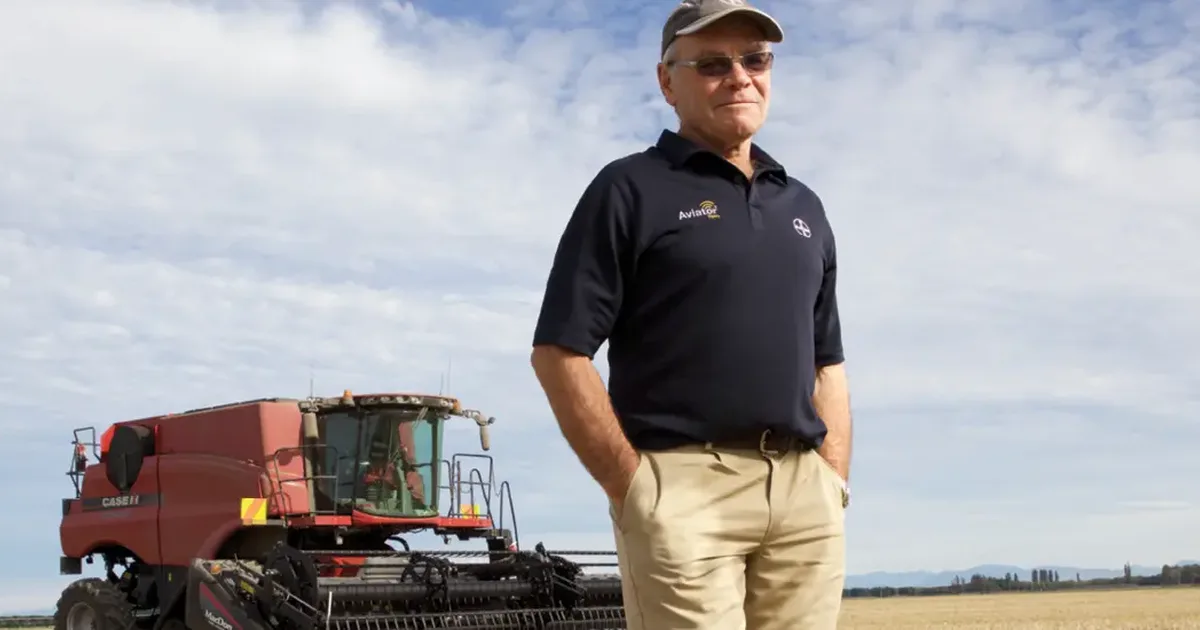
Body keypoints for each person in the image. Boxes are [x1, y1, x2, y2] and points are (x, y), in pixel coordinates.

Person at [530, 0, 853, 628]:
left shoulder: (805, 206)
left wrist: (831, 480)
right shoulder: (629, 190)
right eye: (712, 63)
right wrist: (635, 489)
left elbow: (828, 361)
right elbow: (559, 352)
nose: (739, 77)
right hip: (683, 490)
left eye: (755, 59)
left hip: (802, 499)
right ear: (667, 82)